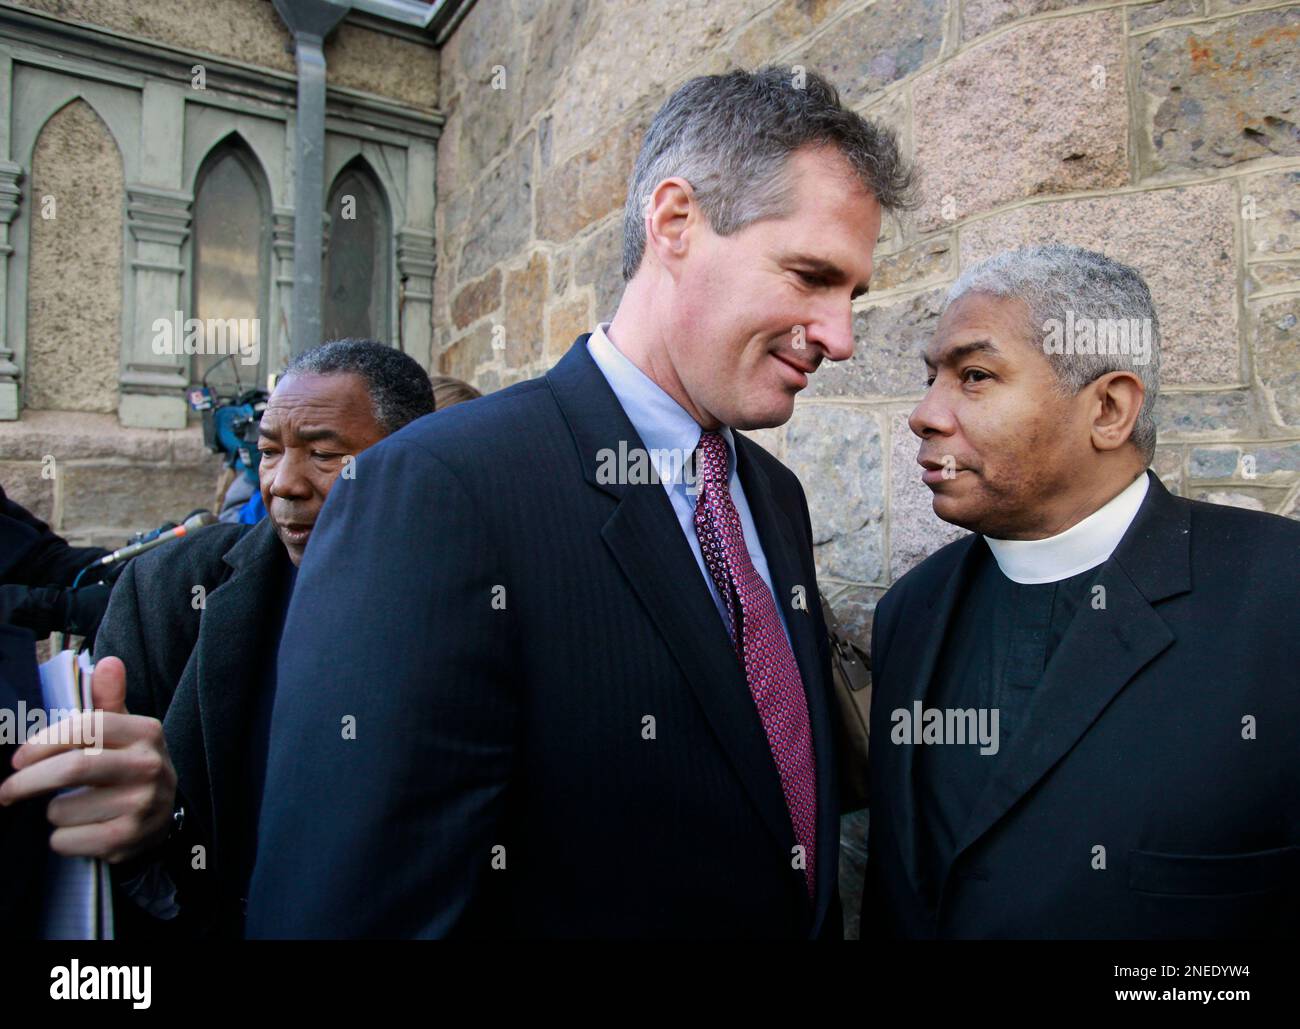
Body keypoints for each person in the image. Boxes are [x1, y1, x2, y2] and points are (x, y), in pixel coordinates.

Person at [247, 66, 914, 939]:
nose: (841, 336)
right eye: (810, 276)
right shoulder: (440, 491)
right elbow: (352, 908)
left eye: (852, 296)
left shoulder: (774, 497)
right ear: (675, 222)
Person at [864, 243, 1300, 939]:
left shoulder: (1280, 598)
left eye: (973, 375)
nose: (924, 413)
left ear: (1108, 408)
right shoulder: (908, 613)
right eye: (932, 377)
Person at [9, 339, 434, 939]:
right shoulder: (165, 591)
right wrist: (149, 822)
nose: (283, 484)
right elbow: (118, 863)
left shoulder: (479, 599)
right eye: (267, 451)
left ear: (413, 457)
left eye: (323, 454)